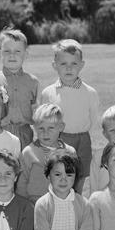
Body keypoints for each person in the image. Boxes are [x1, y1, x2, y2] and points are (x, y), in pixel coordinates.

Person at [39, 39, 100, 194]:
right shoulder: (48, 93)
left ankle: (76, 204)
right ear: (54, 65)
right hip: (59, 141)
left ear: (82, 65)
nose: (69, 68)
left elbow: (93, 120)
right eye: (63, 63)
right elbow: (43, 120)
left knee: (79, 178)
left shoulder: (90, 93)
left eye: (74, 63)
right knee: (59, 177)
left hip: (83, 140)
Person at [0, 27, 39, 149]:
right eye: (7, 51)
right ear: (0, 53)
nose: (12, 55)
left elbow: (36, 111)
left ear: (25, 54)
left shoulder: (32, 82)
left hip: (25, 133)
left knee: (23, 161)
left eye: (17, 51)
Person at [17, 103, 77, 204]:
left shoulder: (70, 152)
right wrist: (24, 206)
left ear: (61, 127)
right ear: (35, 128)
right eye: (41, 128)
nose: (45, 133)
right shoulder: (29, 152)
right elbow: (21, 184)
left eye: (51, 128)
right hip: (34, 204)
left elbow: (74, 180)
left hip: (61, 202)